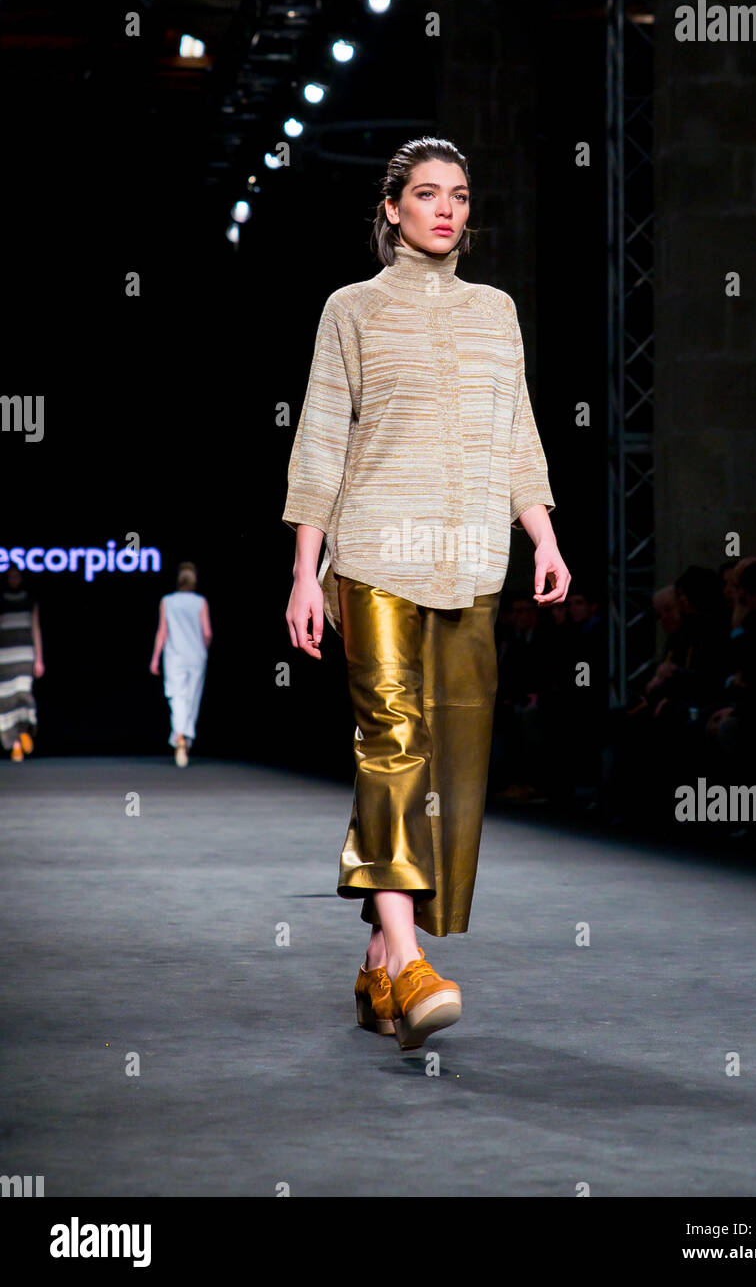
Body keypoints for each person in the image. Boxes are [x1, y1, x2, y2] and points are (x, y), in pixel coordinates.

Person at [282, 136, 569, 1050]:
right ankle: (407, 962)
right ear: (392, 210)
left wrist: (544, 537)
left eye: (458, 194)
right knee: (393, 739)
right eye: (426, 194)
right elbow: (323, 437)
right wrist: (304, 569)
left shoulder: (496, 312)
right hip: (371, 553)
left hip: (472, 559)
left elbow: (516, 432)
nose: (446, 208)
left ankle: (375, 966)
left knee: (449, 763)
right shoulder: (350, 309)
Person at [149, 562, 211, 767]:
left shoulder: (167, 601)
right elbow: (207, 633)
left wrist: (155, 658)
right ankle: (184, 737)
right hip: (196, 655)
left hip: (174, 655)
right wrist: (204, 647)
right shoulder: (200, 602)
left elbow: (162, 631)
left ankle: (180, 737)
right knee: (192, 698)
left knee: (177, 697)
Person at [0, 566, 44, 761]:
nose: (14, 579)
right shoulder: (0, 600)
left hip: (24, 654)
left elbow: (36, 629)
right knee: (5, 701)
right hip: (4, 656)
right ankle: (15, 745)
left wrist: (39, 658)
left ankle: (25, 731)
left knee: (23, 695)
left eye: (17, 576)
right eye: (11, 576)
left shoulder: (29, 600)